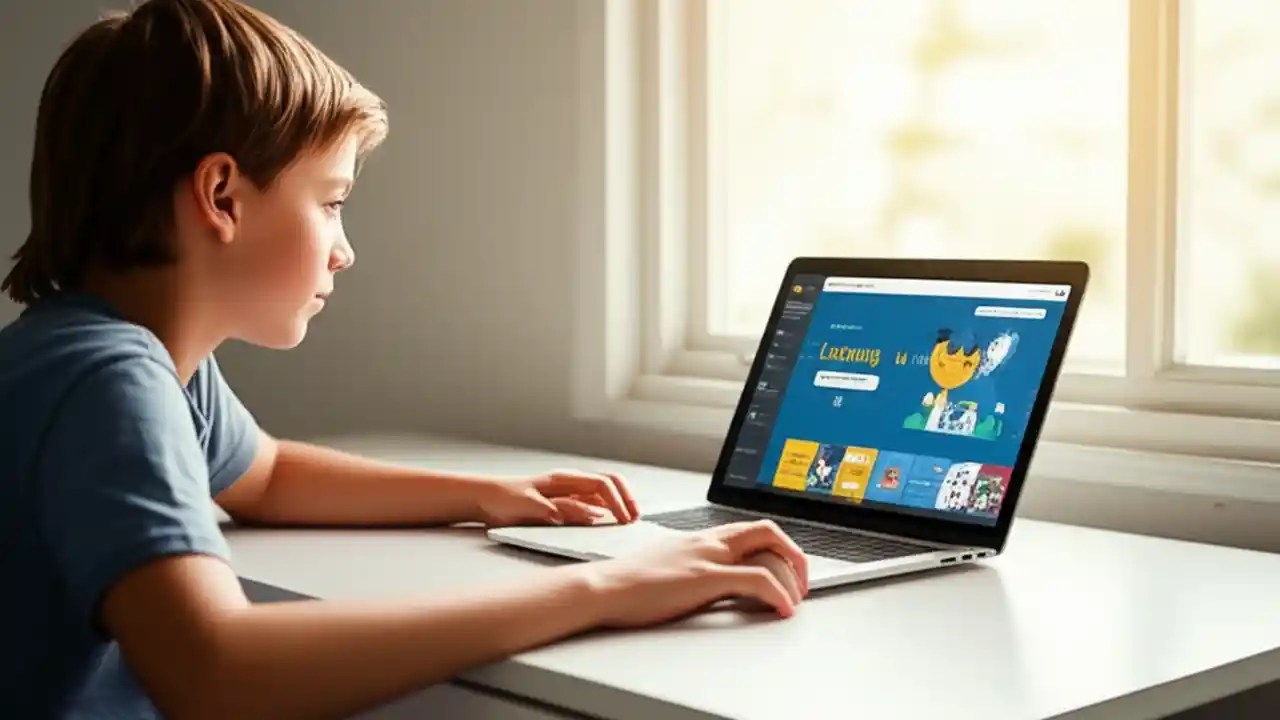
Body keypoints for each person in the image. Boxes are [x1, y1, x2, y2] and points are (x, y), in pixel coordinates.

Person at [0, 1, 808, 717]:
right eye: (331, 202)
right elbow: (217, 672)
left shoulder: (117, 353)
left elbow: (268, 476)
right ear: (221, 197)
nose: (343, 250)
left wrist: (492, 494)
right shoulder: (108, 381)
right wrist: (601, 587)